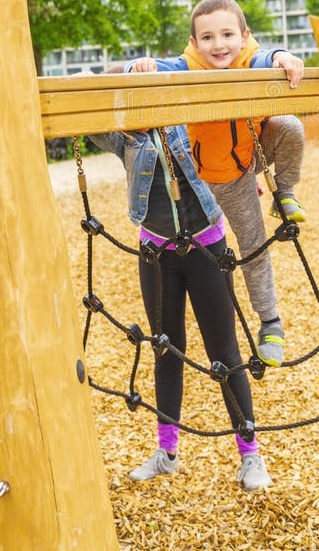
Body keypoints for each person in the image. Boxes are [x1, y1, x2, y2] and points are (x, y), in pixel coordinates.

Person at [124, 0, 306, 369]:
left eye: (227, 34)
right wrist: (137, 65)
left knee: (290, 126)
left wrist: (282, 57)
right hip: (206, 178)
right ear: (194, 42)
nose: (218, 45)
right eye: (207, 37)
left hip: (246, 161)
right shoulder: (186, 67)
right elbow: (146, 70)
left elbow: (267, 57)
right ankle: (247, 328)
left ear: (244, 36)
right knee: (231, 246)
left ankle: (270, 320)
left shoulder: (250, 60)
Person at [89, 124, 272, 491]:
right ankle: (167, 453)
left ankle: (250, 454)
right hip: (156, 252)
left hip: (207, 246)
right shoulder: (127, 137)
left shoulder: (189, 123)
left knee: (224, 353)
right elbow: (91, 118)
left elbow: (227, 143)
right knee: (166, 349)